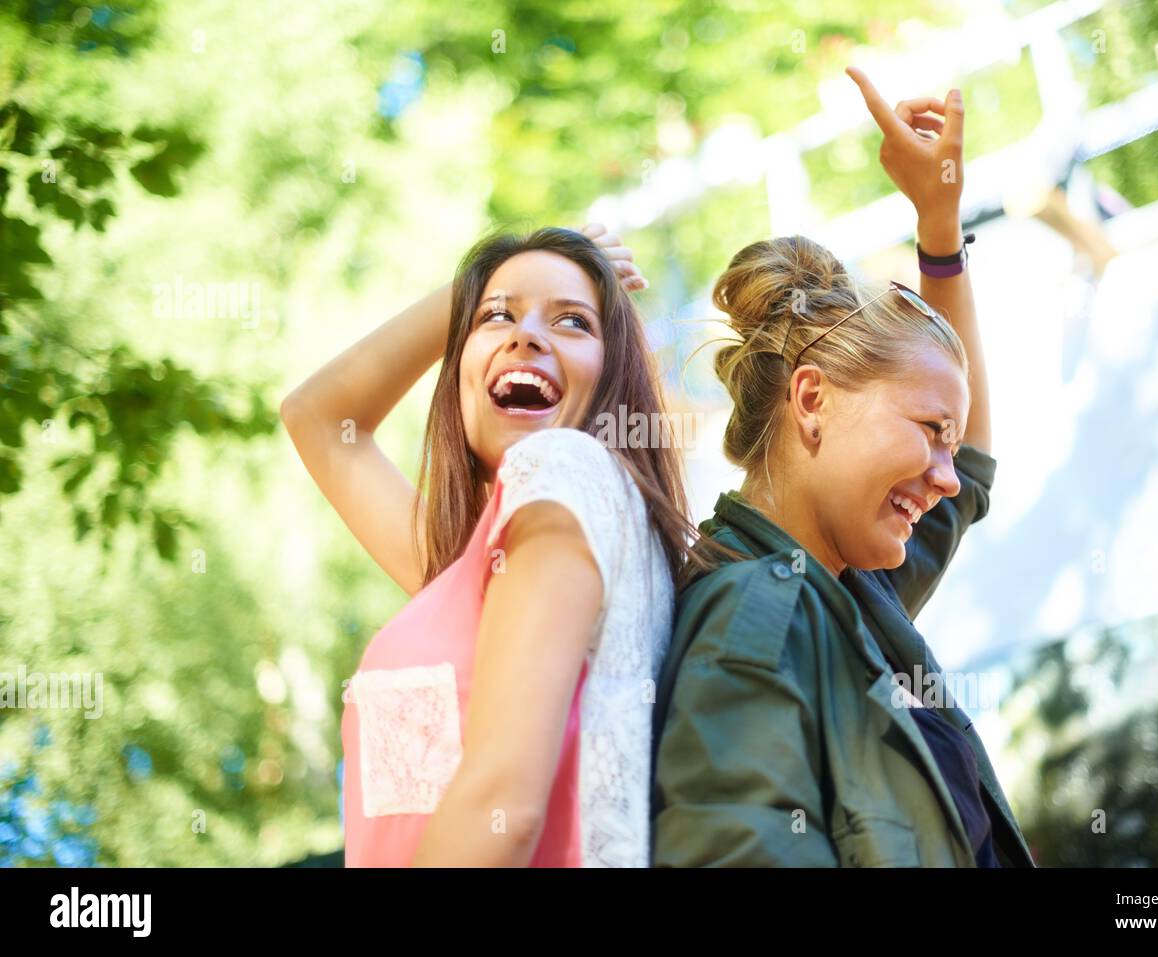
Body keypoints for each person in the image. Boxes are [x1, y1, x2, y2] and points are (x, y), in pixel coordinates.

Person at [650, 69, 1036, 867]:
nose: (948, 475)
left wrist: (940, 228)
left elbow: (974, 469)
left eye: (946, 439)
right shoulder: (752, 616)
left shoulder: (848, 583)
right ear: (813, 399)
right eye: (927, 430)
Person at [282, 224, 696, 866]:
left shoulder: (569, 472)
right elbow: (318, 417)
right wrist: (480, 284)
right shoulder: (464, 566)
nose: (526, 335)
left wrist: (498, 295)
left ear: (614, 384)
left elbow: (504, 803)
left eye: (574, 323)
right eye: (496, 319)